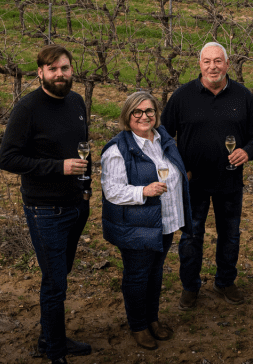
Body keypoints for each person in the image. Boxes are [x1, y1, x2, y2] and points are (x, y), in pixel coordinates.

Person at [0, 45, 92, 363]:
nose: (59, 74)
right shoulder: (28, 108)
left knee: (61, 275)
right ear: (40, 73)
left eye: (65, 68)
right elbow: (7, 159)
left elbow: (84, 149)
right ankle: (55, 351)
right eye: (52, 69)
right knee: (54, 284)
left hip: (76, 205)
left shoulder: (77, 102)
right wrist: (58, 167)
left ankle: (50, 337)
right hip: (45, 210)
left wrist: (86, 192)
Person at [160, 42, 253, 309]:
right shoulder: (182, 97)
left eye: (218, 61)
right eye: (207, 61)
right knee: (191, 236)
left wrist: (247, 152)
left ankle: (225, 281)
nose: (213, 67)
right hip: (192, 182)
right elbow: (163, 137)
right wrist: (178, 168)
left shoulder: (243, 96)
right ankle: (190, 286)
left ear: (227, 64)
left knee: (230, 235)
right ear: (200, 65)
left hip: (229, 180)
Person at [101, 91, 193, 351]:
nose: (144, 116)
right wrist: (144, 191)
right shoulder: (118, 149)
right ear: (127, 115)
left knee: (155, 273)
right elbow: (112, 191)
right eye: (137, 112)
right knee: (137, 276)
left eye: (149, 111)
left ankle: (152, 318)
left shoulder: (163, 138)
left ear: (156, 113)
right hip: (136, 226)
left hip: (164, 221)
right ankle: (138, 325)